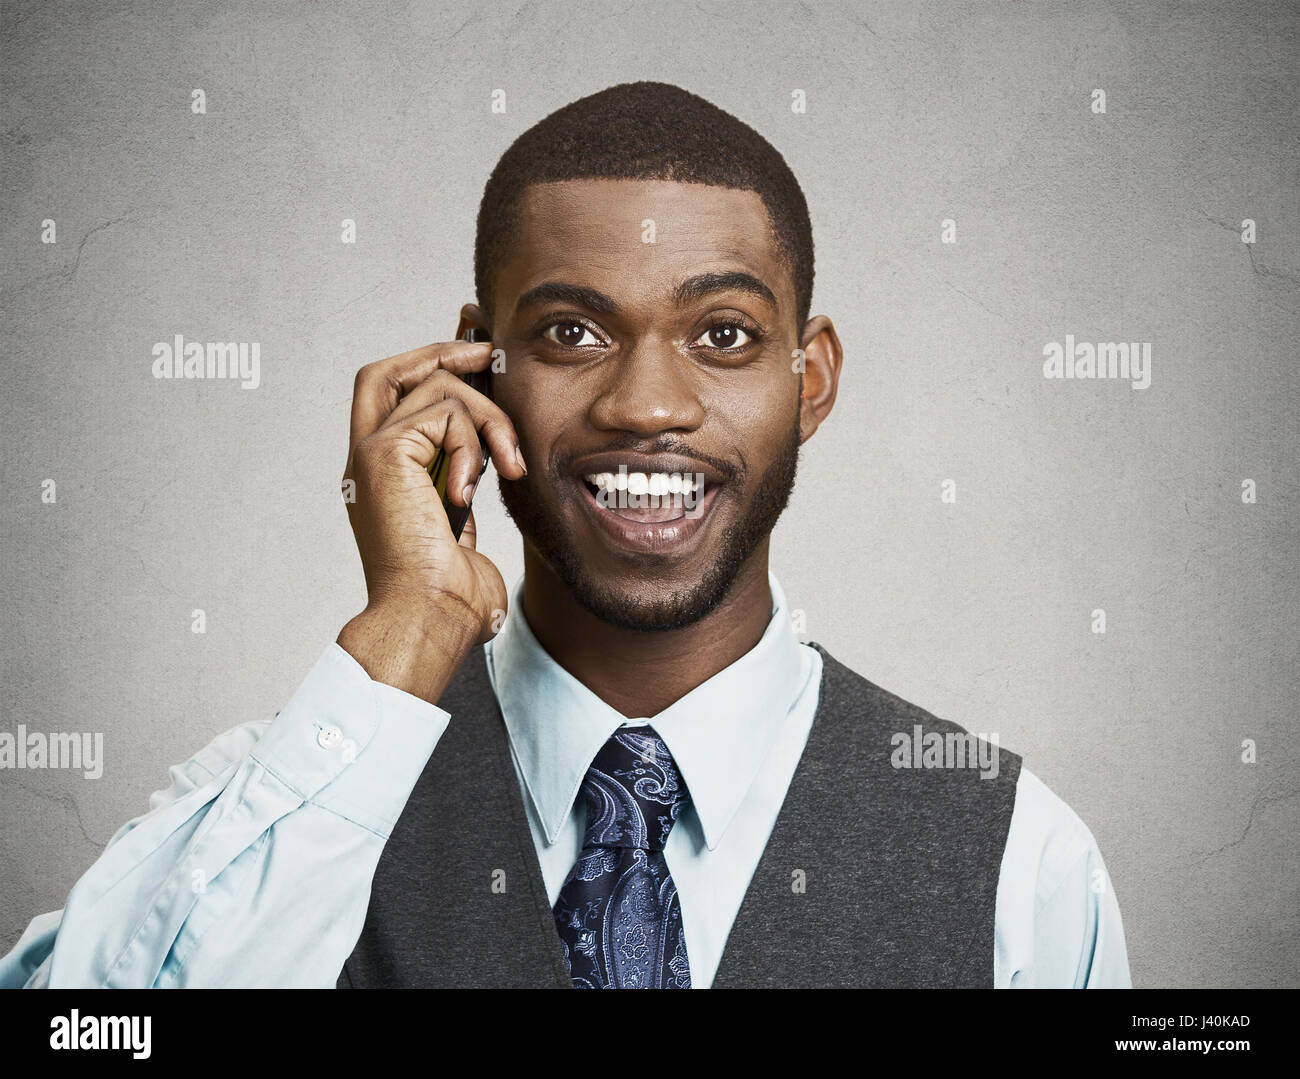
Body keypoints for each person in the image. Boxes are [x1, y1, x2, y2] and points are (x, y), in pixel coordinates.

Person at [1, 80, 1129, 989]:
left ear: (812, 378)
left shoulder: (1012, 856)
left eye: (724, 332)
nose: (645, 403)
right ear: (472, 363)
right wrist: (410, 623)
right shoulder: (289, 797)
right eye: (572, 330)